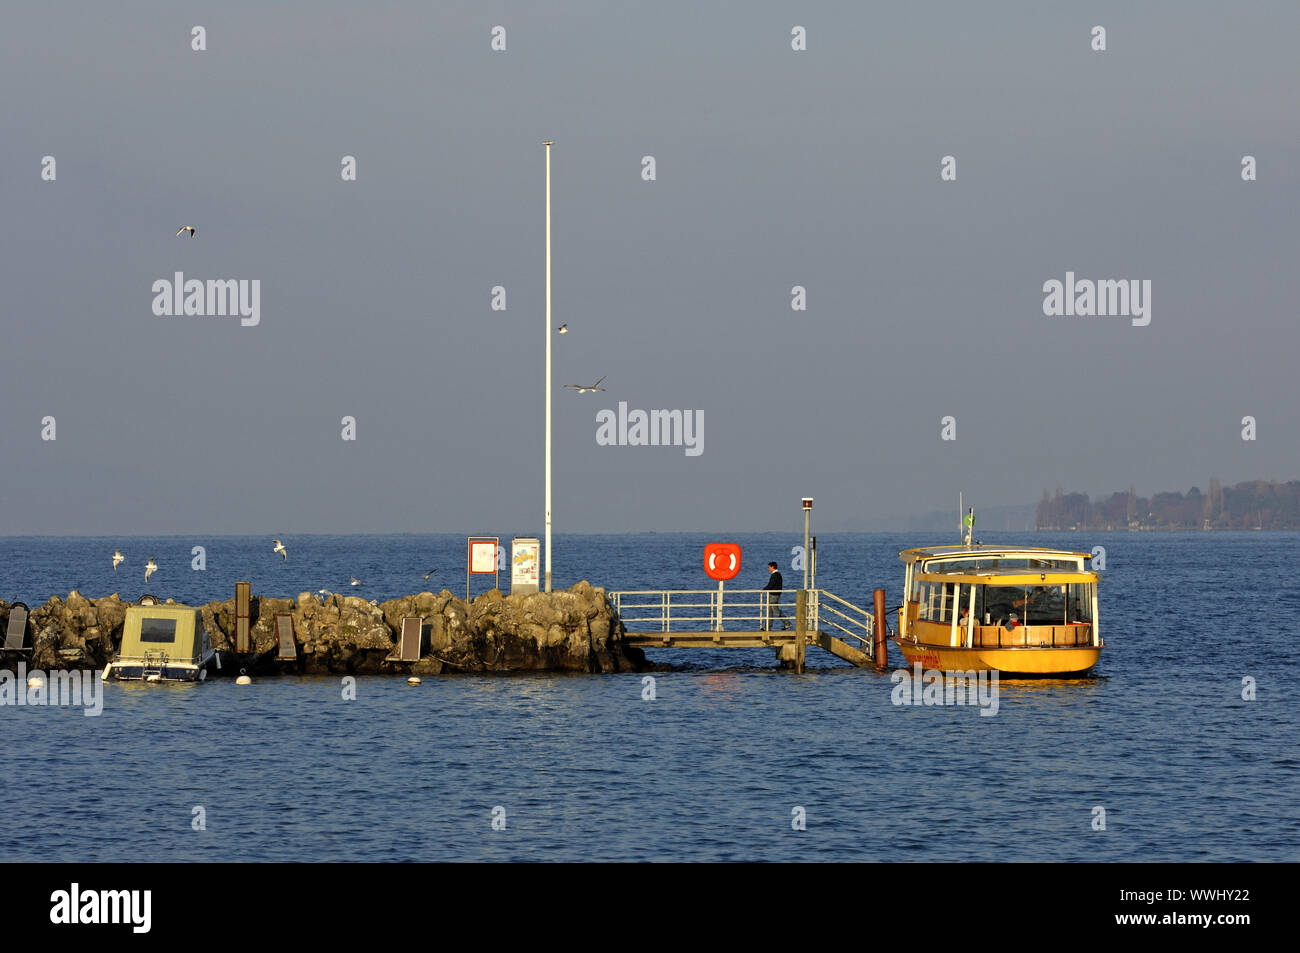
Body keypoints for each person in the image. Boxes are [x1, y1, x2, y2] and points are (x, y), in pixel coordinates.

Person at [762, 561, 787, 631]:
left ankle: (787, 622)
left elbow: (771, 585)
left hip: (774, 595)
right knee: (769, 611)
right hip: (774, 594)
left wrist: (763, 590)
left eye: (769, 567)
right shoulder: (778, 574)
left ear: (772, 567)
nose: (768, 569)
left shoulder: (775, 575)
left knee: (775, 610)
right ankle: (767, 627)